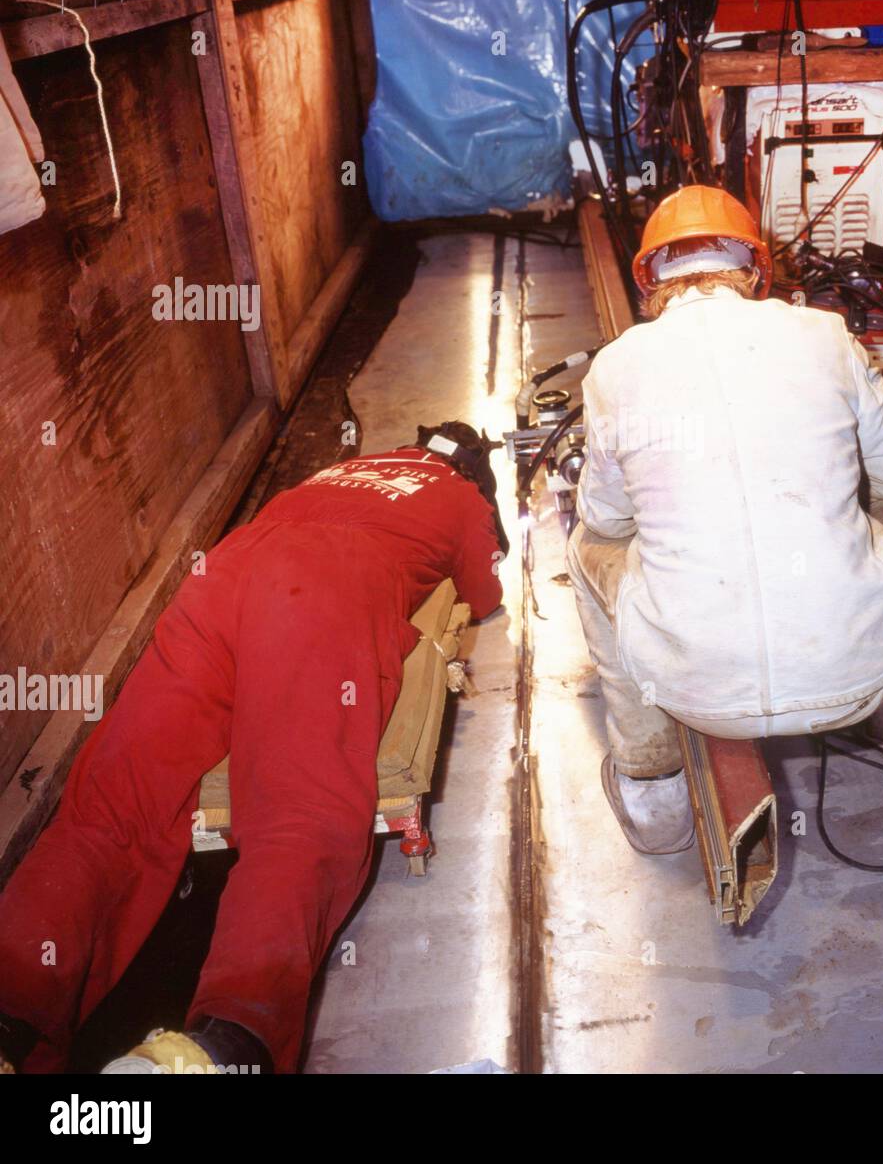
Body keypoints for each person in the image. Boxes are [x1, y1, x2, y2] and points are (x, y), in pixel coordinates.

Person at [0, 423, 506, 1074]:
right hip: (319, 589)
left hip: (221, 578)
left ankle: (11, 1013)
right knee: (300, 811)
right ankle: (225, 1044)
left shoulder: (337, 469)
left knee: (110, 807)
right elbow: (485, 596)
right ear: (471, 469)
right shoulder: (459, 493)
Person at [567, 186, 883, 855]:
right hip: (854, 674)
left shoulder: (615, 366)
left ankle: (653, 786)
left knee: (588, 547)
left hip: (690, 688)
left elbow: (605, 515)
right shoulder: (823, 333)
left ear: (651, 283)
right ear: (755, 269)